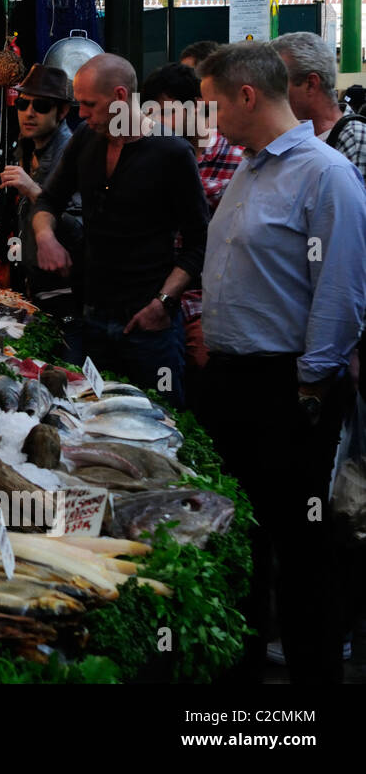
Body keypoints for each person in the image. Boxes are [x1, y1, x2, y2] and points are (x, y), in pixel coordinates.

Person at [197, 41, 366, 684]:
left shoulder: (324, 174)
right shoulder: (251, 167)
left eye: (212, 106)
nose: (207, 123)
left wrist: (309, 388)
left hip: (288, 386)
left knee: (301, 552)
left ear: (246, 97)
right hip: (234, 380)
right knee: (241, 542)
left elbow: (343, 290)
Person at [33, 54, 210, 406]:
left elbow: (199, 244)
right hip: (93, 318)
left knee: (162, 418)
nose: (81, 114)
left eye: (88, 104)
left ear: (119, 96)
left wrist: (163, 303)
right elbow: (47, 202)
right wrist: (45, 237)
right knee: (95, 416)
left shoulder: (171, 152)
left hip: (149, 326)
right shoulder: (85, 139)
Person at [139, 61, 245, 407]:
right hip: (160, 297)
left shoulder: (236, 154)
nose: (159, 122)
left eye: (168, 111)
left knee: (204, 394)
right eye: (152, 112)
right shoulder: (154, 155)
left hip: (211, 302)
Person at [0, 64, 82, 358]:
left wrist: (32, 189)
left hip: (67, 298)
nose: (29, 113)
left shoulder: (72, 153)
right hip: (33, 293)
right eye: (23, 103)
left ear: (62, 112)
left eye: (41, 106)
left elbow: (78, 226)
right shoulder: (25, 149)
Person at [273, 31, 366, 180]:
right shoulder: (293, 137)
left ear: (310, 84)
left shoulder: (353, 138)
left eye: (278, 85)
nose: (271, 95)